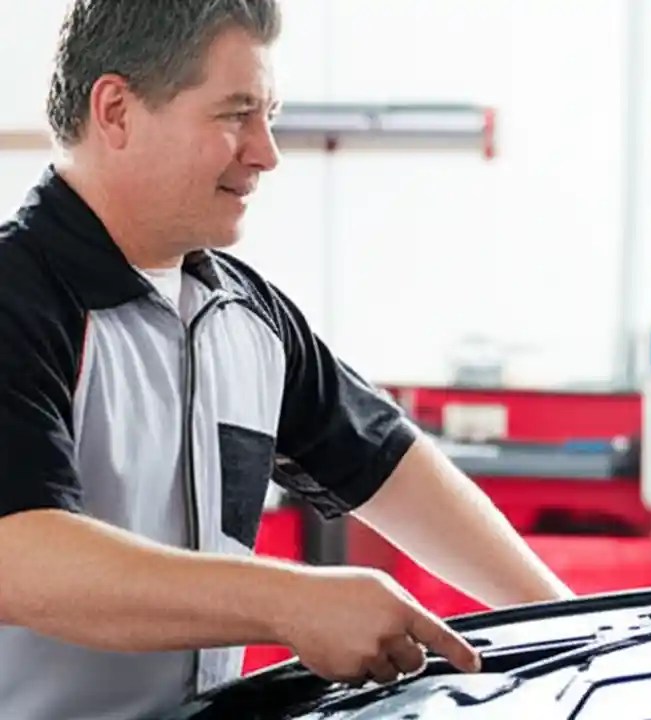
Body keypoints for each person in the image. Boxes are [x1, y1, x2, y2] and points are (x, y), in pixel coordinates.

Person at [0, 2, 575, 718]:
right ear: (116, 110)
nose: (266, 151)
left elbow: (389, 466)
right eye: (235, 114)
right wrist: (288, 602)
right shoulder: (17, 300)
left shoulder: (246, 316)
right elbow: (18, 559)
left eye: (268, 114)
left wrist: (580, 626)